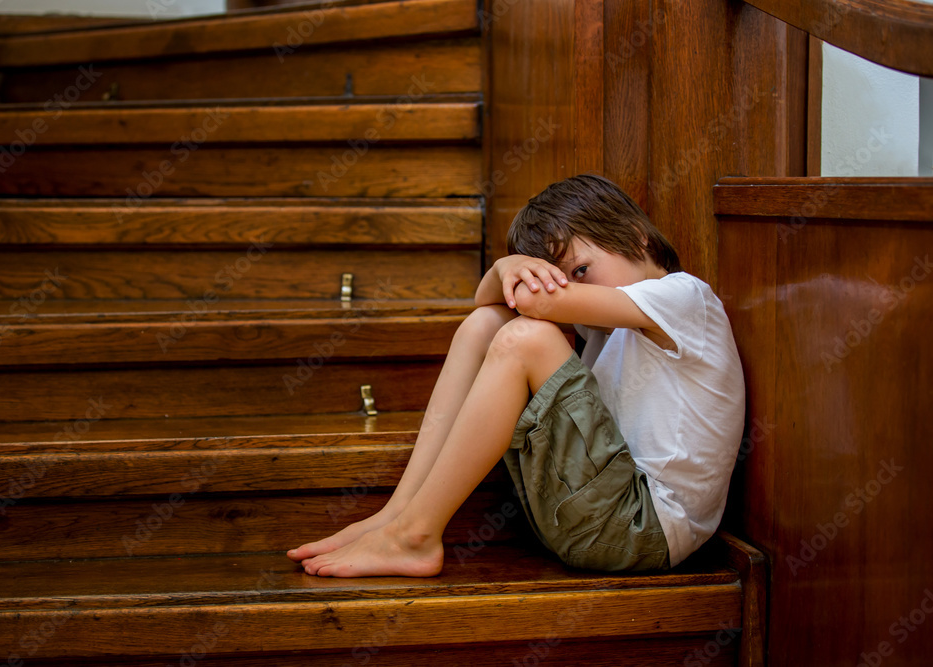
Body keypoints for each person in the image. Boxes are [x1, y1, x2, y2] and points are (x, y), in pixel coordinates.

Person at [287, 173, 745, 577]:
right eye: (559, 277)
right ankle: (400, 512)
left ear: (637, 236)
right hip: (589, 516)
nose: (570, 289)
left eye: (579, 271)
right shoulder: (608, 325)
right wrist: (504, 268)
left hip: (645, 529)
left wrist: (512, 271)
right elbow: (487, 306)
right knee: (487, 326)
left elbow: (534, 303)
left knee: (526, 338)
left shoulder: (683, 297)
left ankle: (415, 536)